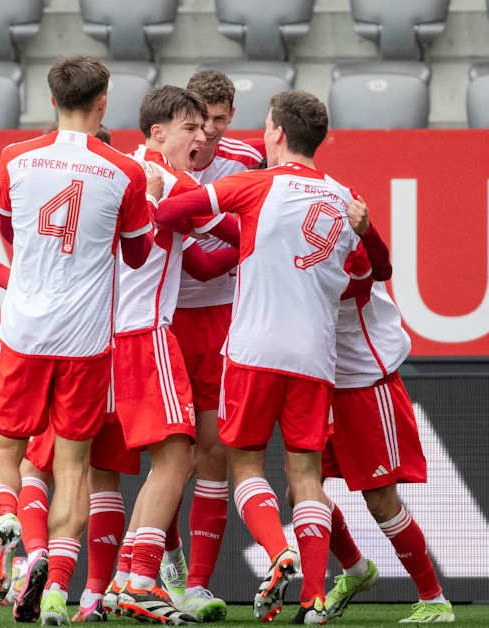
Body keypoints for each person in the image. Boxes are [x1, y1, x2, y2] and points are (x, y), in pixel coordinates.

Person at [155, 90, 372, 625]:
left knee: (245, 464)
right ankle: (315, 599)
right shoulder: (347, 199)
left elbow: (174, 211)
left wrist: (164, 186)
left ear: (275, 133)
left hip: (254, 350)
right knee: (306, 476)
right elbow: (366, 278)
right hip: (315, 358)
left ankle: (279, 549)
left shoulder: (255, 185)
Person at [0, 55, 159, 627]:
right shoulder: (124, 172)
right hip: (85, 341)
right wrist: (146, 203)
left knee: (3, 456)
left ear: (52, 100)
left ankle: (7, 520)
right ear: (103, 103)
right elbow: (138, 254)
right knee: (74, 469)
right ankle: (57, 590)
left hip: (24, 333)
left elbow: (12, 232)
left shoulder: (14, 158)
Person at [157, 71, 265, 623]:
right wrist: (248, 245)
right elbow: (201, 260)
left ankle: (197, 583)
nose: (211, 133)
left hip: (223, 317)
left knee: (214, 452)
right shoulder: (156, 167)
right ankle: (164, 552)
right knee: (168, 454)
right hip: (166, 317)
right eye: (201, 122)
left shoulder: (247, 161)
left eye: (221, 120)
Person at [319, 211, 455, 624]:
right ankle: (356, 568)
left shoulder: (344, 247)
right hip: (321, 385)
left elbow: (376, 270)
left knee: (380, 503)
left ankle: (434, 599)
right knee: (302, 493)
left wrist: (366, 230)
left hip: (367, 385)